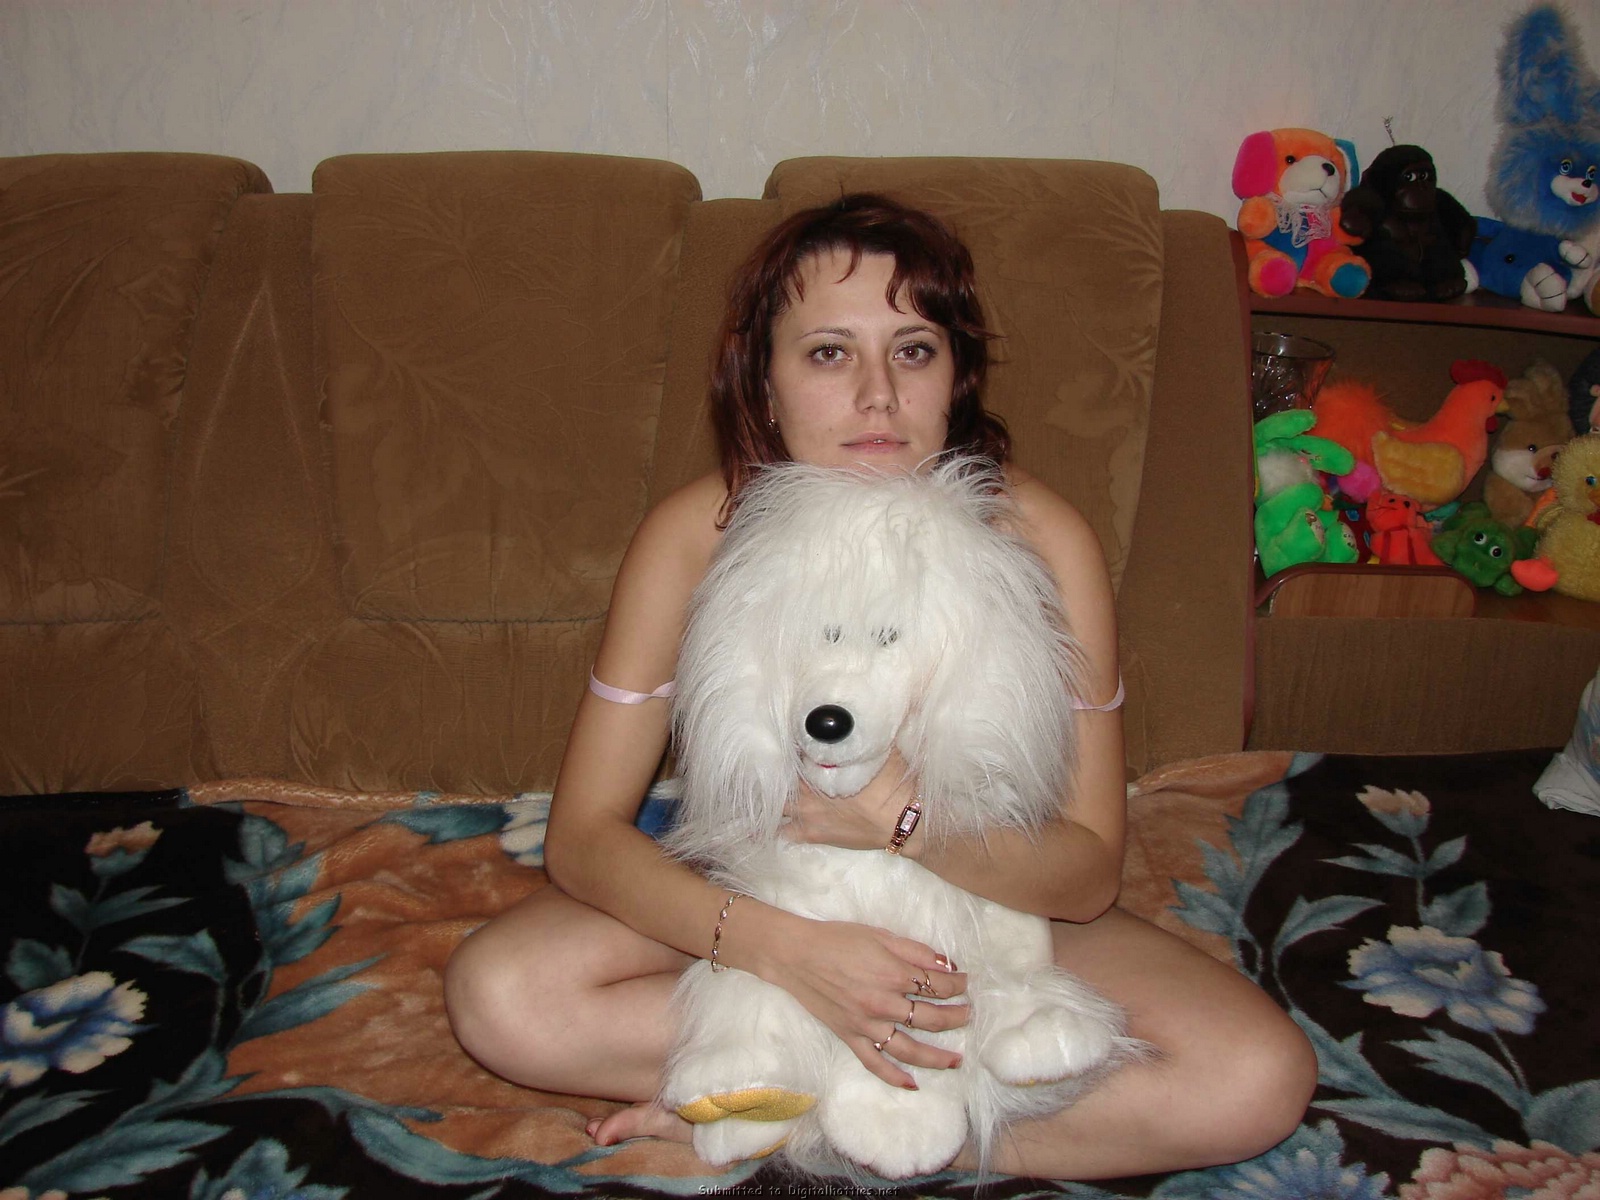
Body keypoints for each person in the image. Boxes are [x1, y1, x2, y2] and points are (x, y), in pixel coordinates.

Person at [443, 193, 1317, 1180]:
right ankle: (828, 1084)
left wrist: (901, 821)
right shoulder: (695, 536)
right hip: (764, 892)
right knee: (502, 995)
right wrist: (784, 952)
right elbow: (583, 835)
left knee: (1255, 1079)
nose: (876, 395)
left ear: (956, 374)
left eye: (913, 351)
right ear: (762, 380)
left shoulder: (1039, 542)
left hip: (982, 910)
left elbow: (1085, 876)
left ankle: (800, 1118)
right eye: (828, 353)